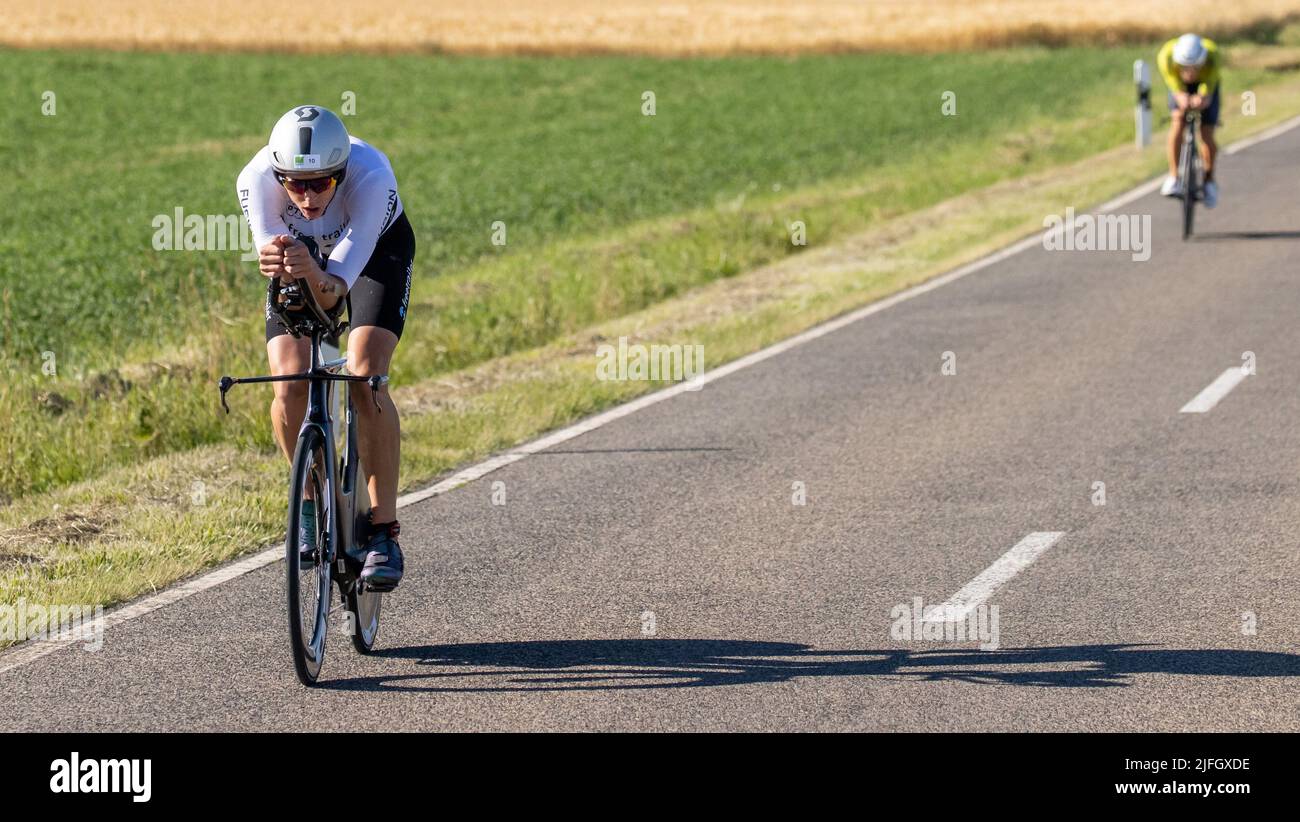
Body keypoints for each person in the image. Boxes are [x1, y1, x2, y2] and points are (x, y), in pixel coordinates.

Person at [236, 105, 412, 591]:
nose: (308, 196)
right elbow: (280, 264)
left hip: (374, 255)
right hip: (303, 259)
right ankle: (310, 499)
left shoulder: (371, 175)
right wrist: (281, 261)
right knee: (289, 382)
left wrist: (314, 273)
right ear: (277, 175)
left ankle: (382, 531)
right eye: (295, 184)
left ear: (341, 173)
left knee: (364, 374)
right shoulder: (253, 181)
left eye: (321, 184)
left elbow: (335, 290)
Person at [1157, 33, 1221, 208]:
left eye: (1194, 67)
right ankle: (1174, 177)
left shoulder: (1213, 55)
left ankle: (1209, 181)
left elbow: (1210, 82)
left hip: (1206, 81)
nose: (1190, 72)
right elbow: (1171, 81)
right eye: (1185, 67)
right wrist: (1180, 94)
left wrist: (1203, 96)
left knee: (1207, 134)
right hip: (1178, 83)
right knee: (1177, 121)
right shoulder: (1166, 56)